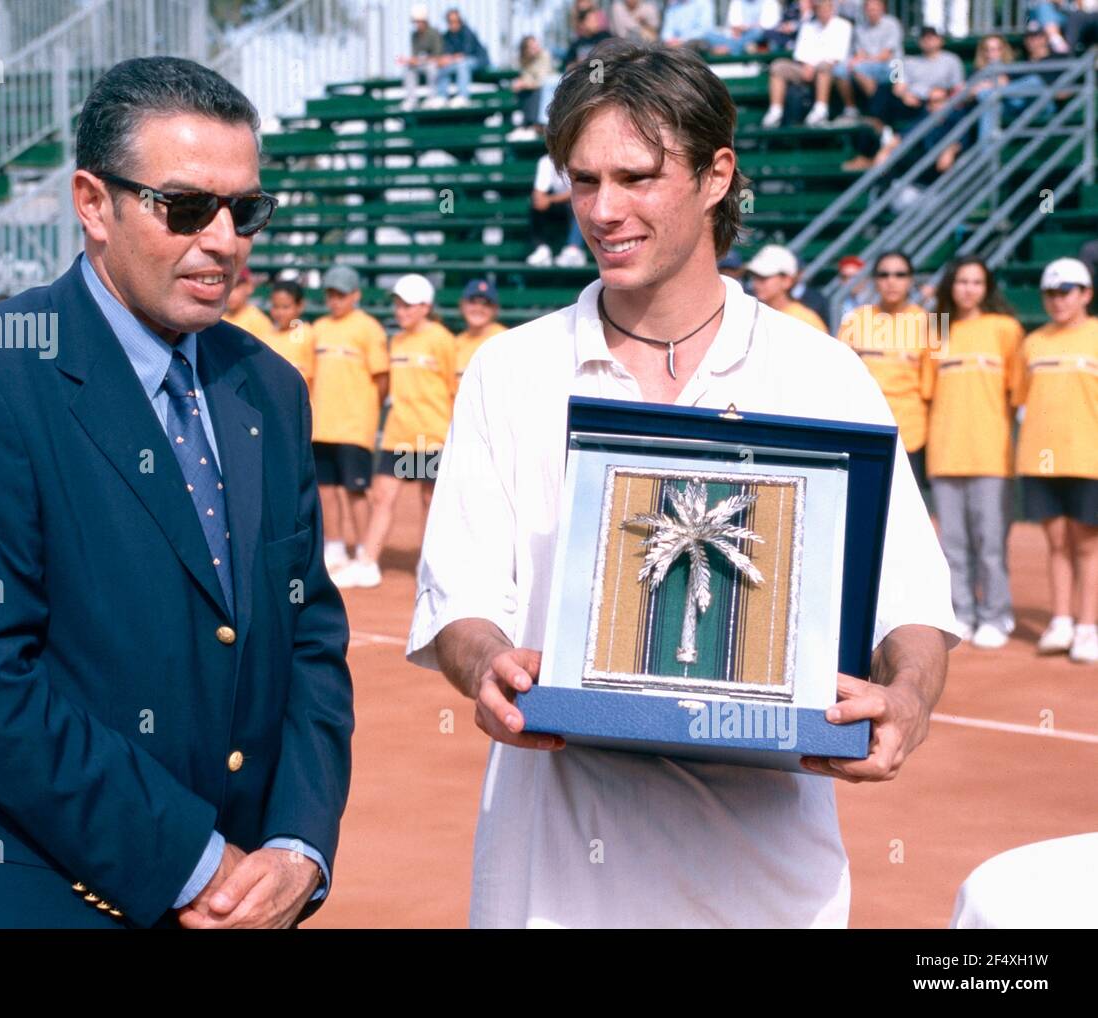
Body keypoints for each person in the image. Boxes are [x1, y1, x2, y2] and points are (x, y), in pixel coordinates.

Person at [408, 38, 956, 928]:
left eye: (635, 177)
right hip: (553, 882)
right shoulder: (508, 371)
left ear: (715, 176)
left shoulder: (822, 371)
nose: (603, 210)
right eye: (583, 181)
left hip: (771, 887)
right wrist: (486, 664)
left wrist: (908, 696)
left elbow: (911, 603)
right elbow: (464, 599)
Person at [0, 56, 354, 929]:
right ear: (93, 203)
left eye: (245, 210)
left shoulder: (271, 391)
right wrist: (191, 860)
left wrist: (297, 847)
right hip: (33, 897)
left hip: (242, 904)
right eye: (184, 207)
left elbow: (311, 640)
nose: (222, 239)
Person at [924, 258, 1024, 648]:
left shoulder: (1005, 329)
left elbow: (1016, 392)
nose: (968, 288)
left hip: (991, 455)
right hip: (946, 452)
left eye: (976, 282)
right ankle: (962, 612)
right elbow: (928, 392)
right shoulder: (938, 330)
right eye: (962, 281)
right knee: (953, 543)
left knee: (990, 541)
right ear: (952, 285)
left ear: (987, 288)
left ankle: (997, 615)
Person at [333, 273, 455, 590]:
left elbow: (453, 389)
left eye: (409, 306)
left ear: (426, 307)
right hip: (399, 434)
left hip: (431, 435)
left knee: (430, 503)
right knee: (384, 496)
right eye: (399, 306)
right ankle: (368, 563)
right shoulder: (396, 340)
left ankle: (430, 566)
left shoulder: (441, 339)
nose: (402, 312)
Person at [1010, 258, 1098, 664]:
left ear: (1086, 294)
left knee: (1087, 546)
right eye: (1051, 293)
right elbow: (1021, 396)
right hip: (1040, 458)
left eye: (1066, 292)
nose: (1058, 300)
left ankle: (1087, 627)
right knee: (1057, 542)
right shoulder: (1033, 342)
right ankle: (1061, 620)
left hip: (1089, 457)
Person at [311, 265, 389, 575]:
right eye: (331, 293)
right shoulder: (317, 328)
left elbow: (381, 379)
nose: (335, 300)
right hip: (322, 425)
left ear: (355, 295)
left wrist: (366, 409)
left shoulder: (369, 328)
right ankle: (335, 547)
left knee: (355, 490)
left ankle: (365, 554)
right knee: (326, 488)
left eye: (342, 294)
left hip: (355, 425)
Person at [838, 251, 932, 488]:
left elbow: (932, 387)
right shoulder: (854, 320)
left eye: (900, 274)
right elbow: (841, 379)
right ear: (874, 280)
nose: (892, 280)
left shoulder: (929, 322)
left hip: (910, 434)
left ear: (910, 280)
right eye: (884, 274)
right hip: (865, 428)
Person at [763, 0, 854, 127]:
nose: (821, 10)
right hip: (807, 68)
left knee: (824, 66)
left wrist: (813, 65)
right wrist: (807, 65)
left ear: (831, 8)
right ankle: (775, 112)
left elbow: (838, 56)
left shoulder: (844, 25)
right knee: (778, 66)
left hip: (832, 70)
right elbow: (801, 53)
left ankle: (821, 110)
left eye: (824, 7)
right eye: (818, 7)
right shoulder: (808, 26)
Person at [831, 0, 902, 124]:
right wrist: (858, 62)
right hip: (869, 65)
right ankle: (851, 109)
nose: (872, 12)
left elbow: (886, 55)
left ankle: (879, 109)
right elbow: (860, 54)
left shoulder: (892, 24)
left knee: (859, 69)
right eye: (869, 9)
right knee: (840, 70)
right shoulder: (860, 28)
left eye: (875, 9)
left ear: (882, 9)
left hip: (895, 67)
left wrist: (862, 62)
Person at [526, 145, 587, 268]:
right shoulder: (545, 161)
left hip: (574, 203)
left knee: (581, 203)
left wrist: (548, 199)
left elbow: (578, 191)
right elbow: (539, 191)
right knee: (535, 205)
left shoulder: (578, 160)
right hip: (558, 205)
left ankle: (573, 250)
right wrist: (538, 198)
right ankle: (542, 249)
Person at [746, 244, 828, 331]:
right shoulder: (749, 314)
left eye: (763, 277)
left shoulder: (806, 320)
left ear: (787, 280)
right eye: (754, 276)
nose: (756, 283)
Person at [262, 279, 316, 390]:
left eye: (286, 307)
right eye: (276, 306)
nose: (280, 312)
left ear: (300, 306)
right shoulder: (266, 337)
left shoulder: (308, 335)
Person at [435, 8, 490, 109]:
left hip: (477, 60)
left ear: (460, 21)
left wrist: (450, 59)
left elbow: (465, 54)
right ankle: (442, 96)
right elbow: (447, 55)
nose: (453, 24)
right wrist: (444, 60)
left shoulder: (467, 32)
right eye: (450, 22)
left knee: (462, 64)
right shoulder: (447, 36)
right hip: (457, 63)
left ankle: (463, 96)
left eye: (455, 21)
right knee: (443, 67)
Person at [454, 278, 507, 379]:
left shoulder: (504, 339)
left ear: (495, 309)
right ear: (462, 305)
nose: (478, 309)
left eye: (486, 304)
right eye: (472, 302)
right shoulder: (456, 343)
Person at [398, 4, 445, 111]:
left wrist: (421, 60)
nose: (417, 24)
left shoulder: (434, 33)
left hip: (433, 64)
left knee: (431, 68)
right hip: (421, 64)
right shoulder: (414, 35)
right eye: (415, 21)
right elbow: (415, 56)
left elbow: (437, 56)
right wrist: (410, 61)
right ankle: (411, 100)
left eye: (419, 21)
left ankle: (432, 97)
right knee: (408, 69)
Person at [509, 35, 556, 130]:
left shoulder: (544, 55)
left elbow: (540, 81)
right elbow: (526, 78)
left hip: (545, 91)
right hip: (532, 92)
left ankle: (536, 125)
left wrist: (523, 83)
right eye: (532, 47)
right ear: (525, 50)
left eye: (536, 45)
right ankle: (529, 125)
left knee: (535, 92)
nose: (536, 48)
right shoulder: (523, 60)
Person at [701, 0, 781, 55]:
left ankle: (729, 49)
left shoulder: (770, 2)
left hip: (758, 37)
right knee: (707, 35)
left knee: (758, 32)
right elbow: (734, 25)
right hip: (739, 36)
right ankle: (734, 47)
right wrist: (740, 30)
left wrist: (747, 27)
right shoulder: (737, 1)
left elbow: (768, 26)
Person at [221, 266, 272, 339]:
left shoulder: (257, 320)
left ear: (249, 286)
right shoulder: (219, 319)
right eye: (226, 286)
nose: (231, 293)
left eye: (236, 286)